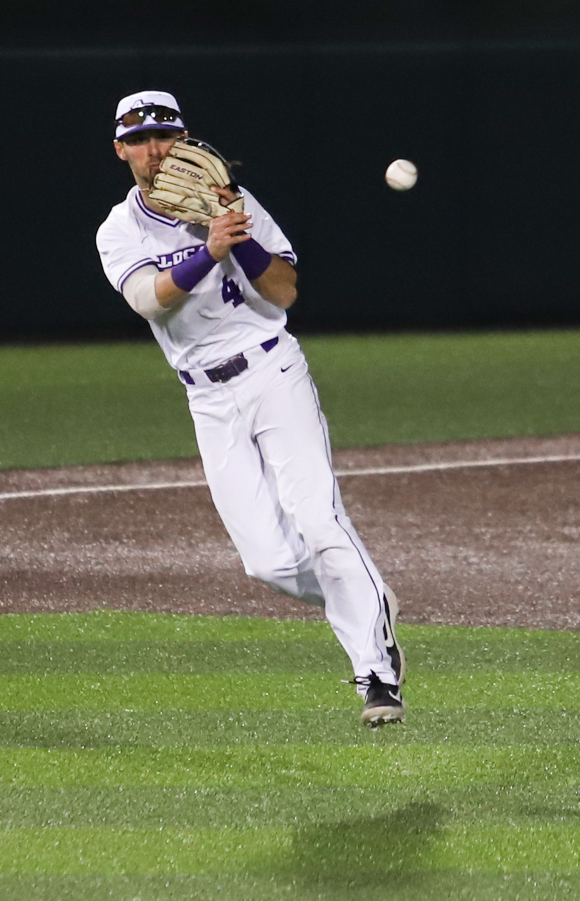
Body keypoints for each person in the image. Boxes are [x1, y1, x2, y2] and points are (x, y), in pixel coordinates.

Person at [94, 89, 405, 726]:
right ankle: (367, 598)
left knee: (319, 520)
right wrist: (208, 250)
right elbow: (148, 300)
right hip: (207, 399)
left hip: (272, 372)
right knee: (268, 561)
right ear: (120, 150)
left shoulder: (234, 202)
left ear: (184, 140)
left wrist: (237, 234)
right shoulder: (119, 229)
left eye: (164, 135)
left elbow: (284, 291)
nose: (155, 150)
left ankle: (376, 672)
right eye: (139, 139)